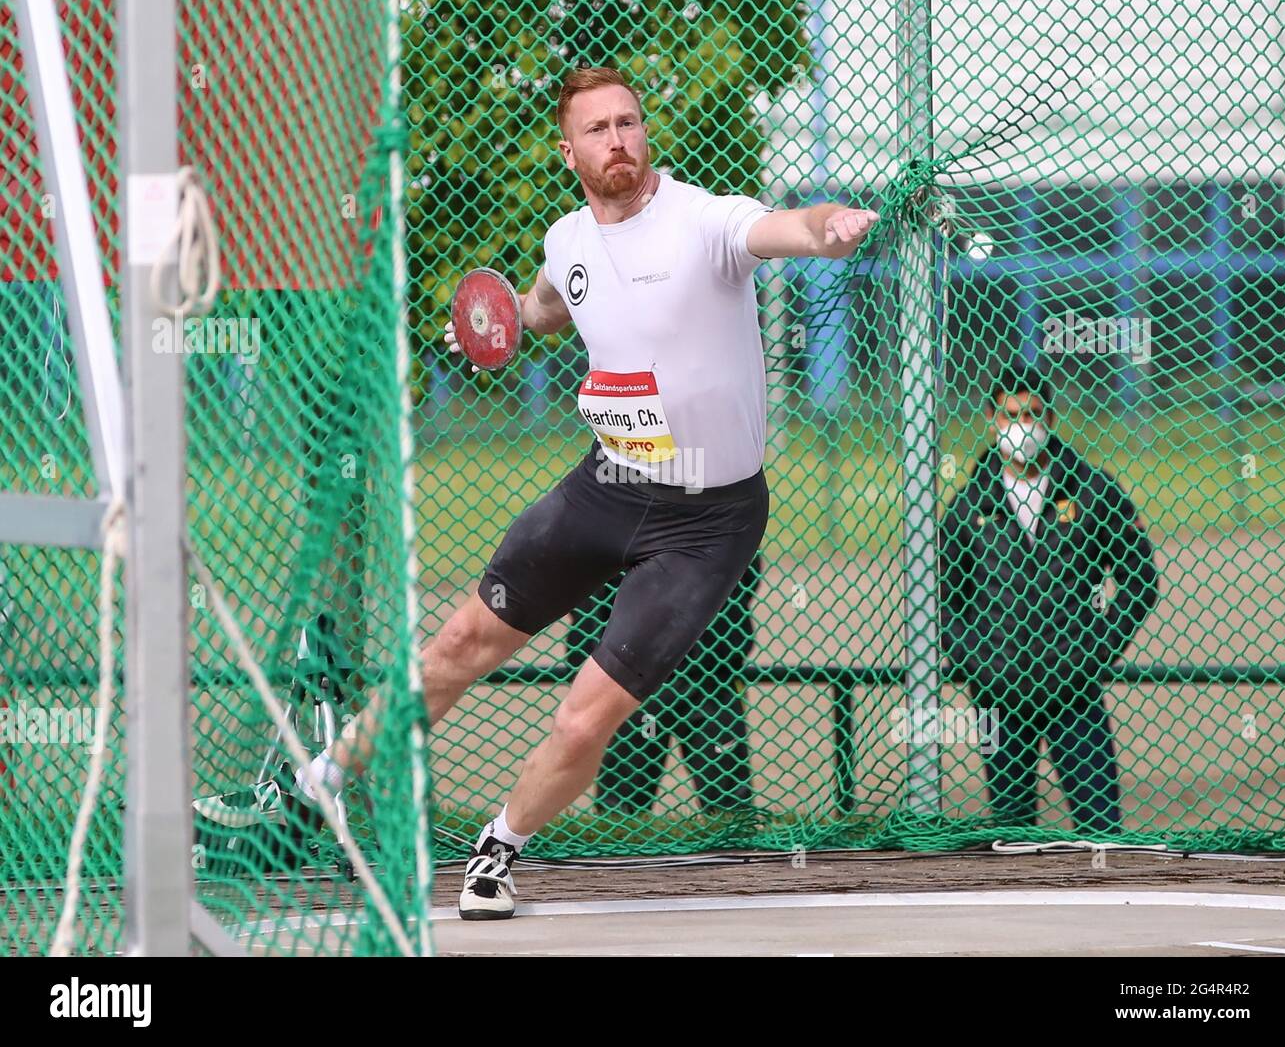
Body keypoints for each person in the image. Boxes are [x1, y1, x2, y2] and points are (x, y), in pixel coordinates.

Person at [253, 65, 877, 920]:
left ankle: (497, 850)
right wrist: (499, 316)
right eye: (598, 129)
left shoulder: (704, 222)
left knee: (584, 719)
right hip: (609, 483)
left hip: (708, 519)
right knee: (461, 639)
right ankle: (317, 783)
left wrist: (827, 229)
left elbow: (783, 228)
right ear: (569, 150)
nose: (618, 139)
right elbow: (549, 304)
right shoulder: (568, 238)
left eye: (629, 122)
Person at [940, 361, 1159, 833]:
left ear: (1051, 419)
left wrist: (1095, 652)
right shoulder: (968, 505)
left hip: (1074, 690)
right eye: (1011, 414)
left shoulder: (1093, 491)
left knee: (1102, 830)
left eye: (1033, 414)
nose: (1023, 427)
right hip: (999, 695)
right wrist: (978, 660)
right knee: (1014, 837)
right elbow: (942, 599)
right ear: (991, 419)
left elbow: (1139, 579)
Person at [567, 556, 762, 815]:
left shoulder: (724, 520)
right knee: (621, 814)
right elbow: (588, 597)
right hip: (629, 677)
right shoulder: (615, 522)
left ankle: (733, 842)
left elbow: (745, 571)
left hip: (710, 673)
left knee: (730, 810)